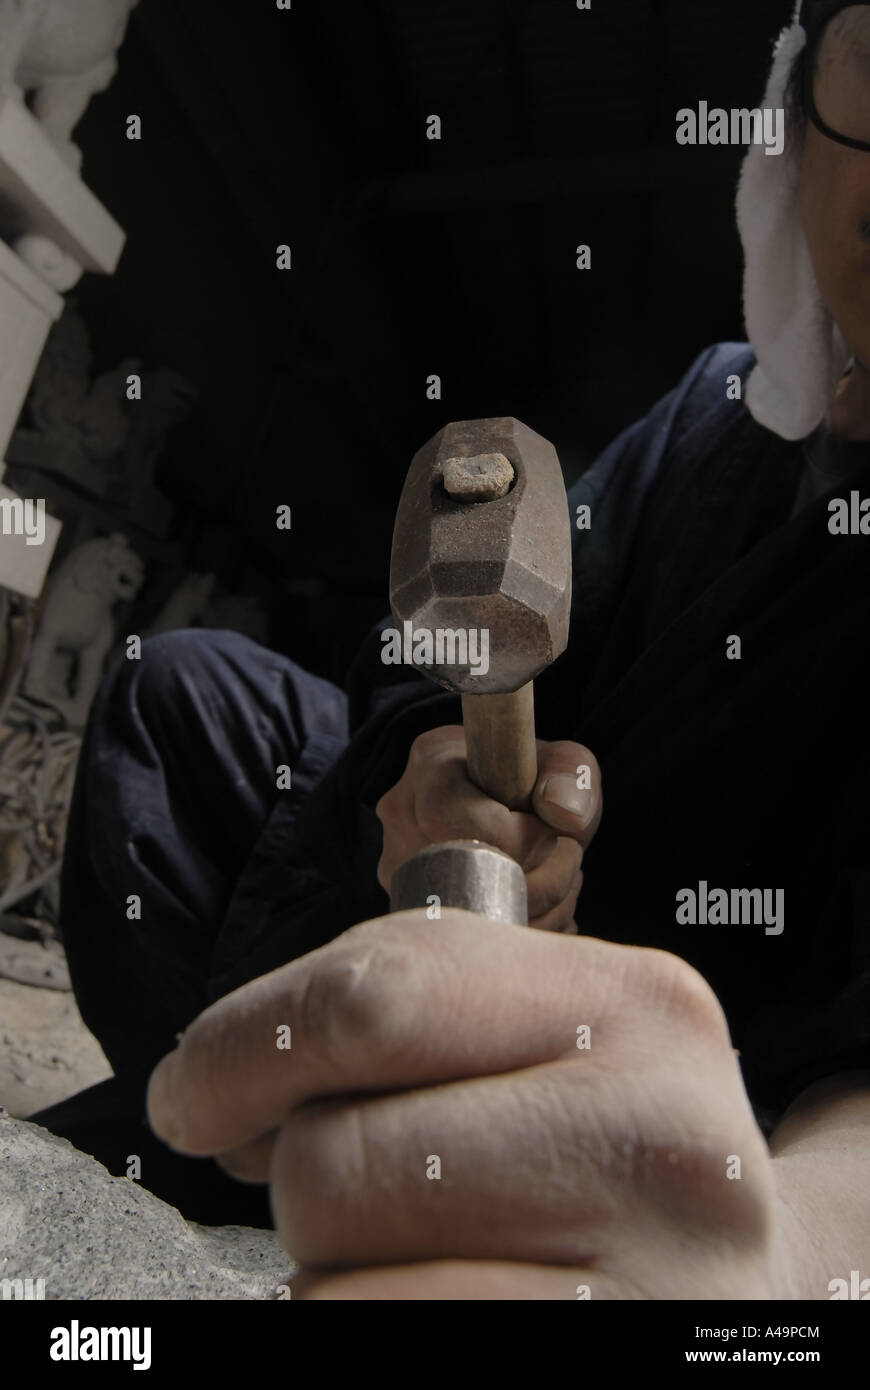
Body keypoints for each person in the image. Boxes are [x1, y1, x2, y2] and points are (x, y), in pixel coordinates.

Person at [33, 0, 870, 1296]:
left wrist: (796, 1241)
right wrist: (441, 764)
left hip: (725, 1079)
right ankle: (248, 1126)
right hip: (455, 904)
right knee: (189, 698)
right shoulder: (711, 410)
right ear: (799, 100)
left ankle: (286, 1149)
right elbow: (440, 640)